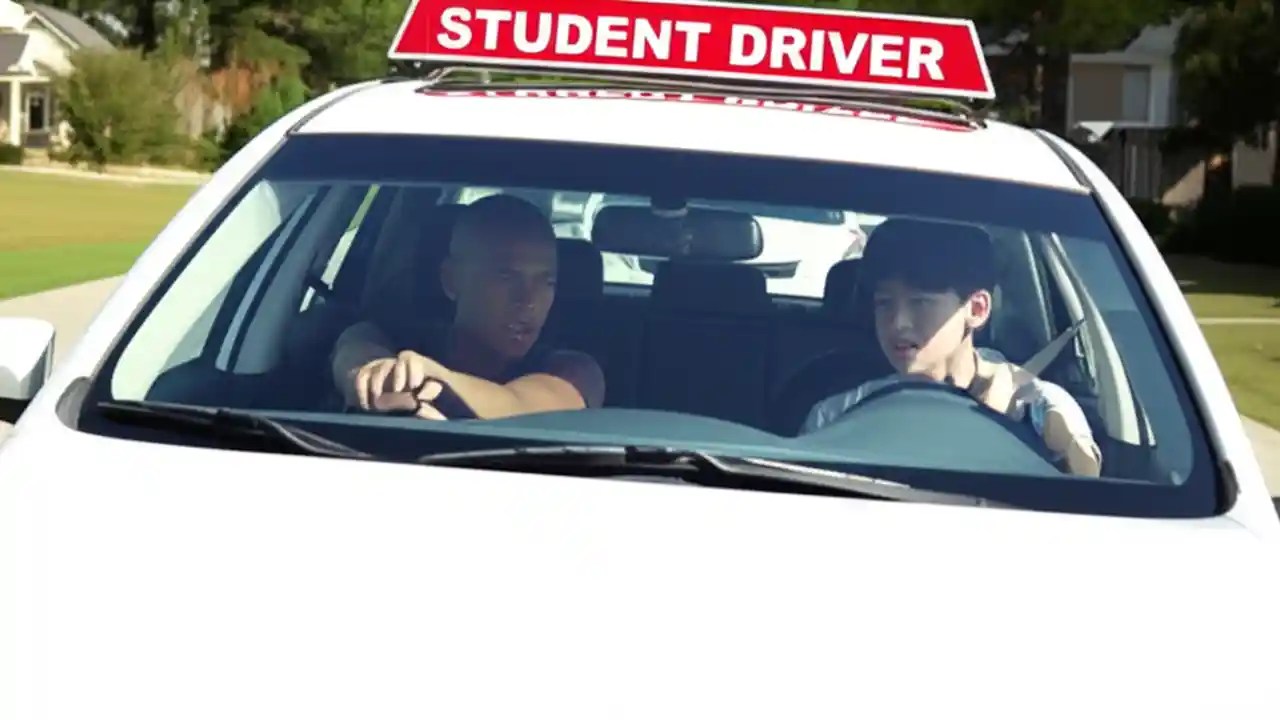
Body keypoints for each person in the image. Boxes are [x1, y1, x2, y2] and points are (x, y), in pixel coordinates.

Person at [799, 218, 1103, 477]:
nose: (898, 323)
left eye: (921, 302)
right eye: (884, 303)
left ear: (977, 308)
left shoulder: (1034, 411)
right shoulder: (837, 416)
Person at [330, 193, 605, 420]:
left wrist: (434, 382)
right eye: (506, 276)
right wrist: (368, 371)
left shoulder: (572, 371)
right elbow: (357, 342)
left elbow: (518, 406)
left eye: (547, 282)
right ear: (451, 280)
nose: (528, 300)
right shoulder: (404, 340)